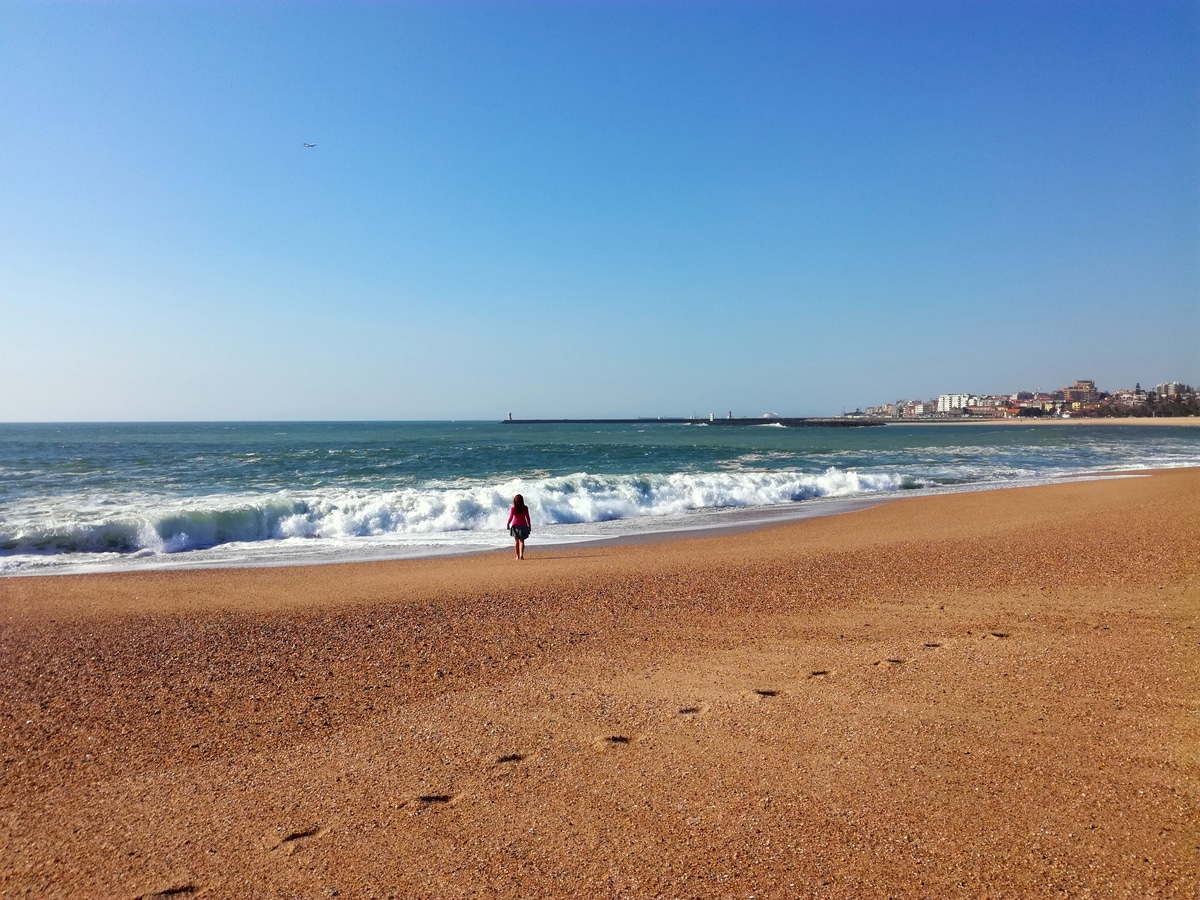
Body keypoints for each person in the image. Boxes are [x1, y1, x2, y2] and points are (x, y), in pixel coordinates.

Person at [506, 494, 531, 560]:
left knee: (516, 542)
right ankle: (521, 555)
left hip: (515, 526)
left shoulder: (513, 508)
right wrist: (529, 525)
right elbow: (527, 517)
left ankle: (518, 556)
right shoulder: (525, 508)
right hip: (523, 525)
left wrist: (508, 524)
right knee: (522, 541)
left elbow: (511, 518)